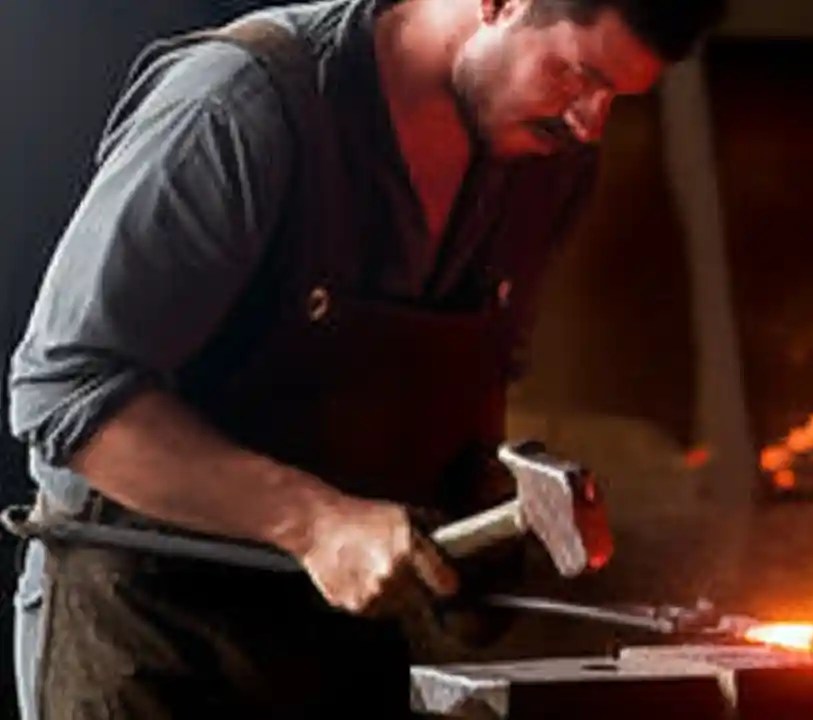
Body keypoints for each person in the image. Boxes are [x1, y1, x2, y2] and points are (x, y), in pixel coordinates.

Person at [6, 0, 724, 716]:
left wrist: (479, 513)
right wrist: (313, 522)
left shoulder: (545, 167)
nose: (590, 122)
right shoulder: (241, 105)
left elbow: (478, 375)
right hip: (148, 638)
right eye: (576, 73)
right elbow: (67, 393)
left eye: (617, 98)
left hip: (338, 641)